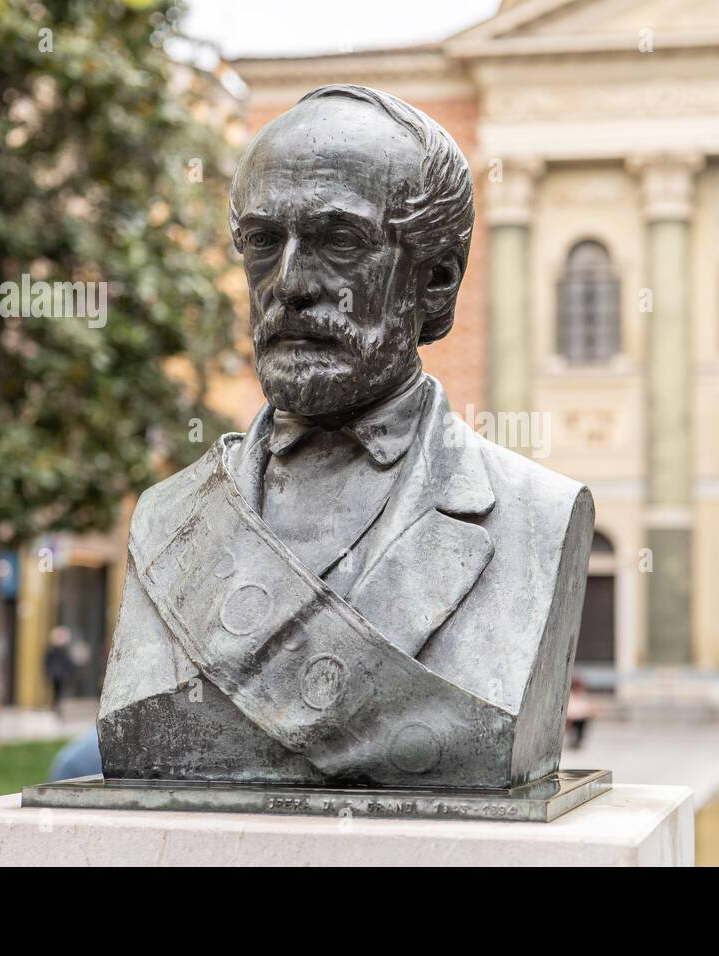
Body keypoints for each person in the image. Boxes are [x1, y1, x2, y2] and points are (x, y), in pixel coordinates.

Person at [97, 85, 594, 790]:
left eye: (339, 240)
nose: (291, 284)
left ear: (436, 284)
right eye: (264, 242)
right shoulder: (168, 519)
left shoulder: (537, 516)